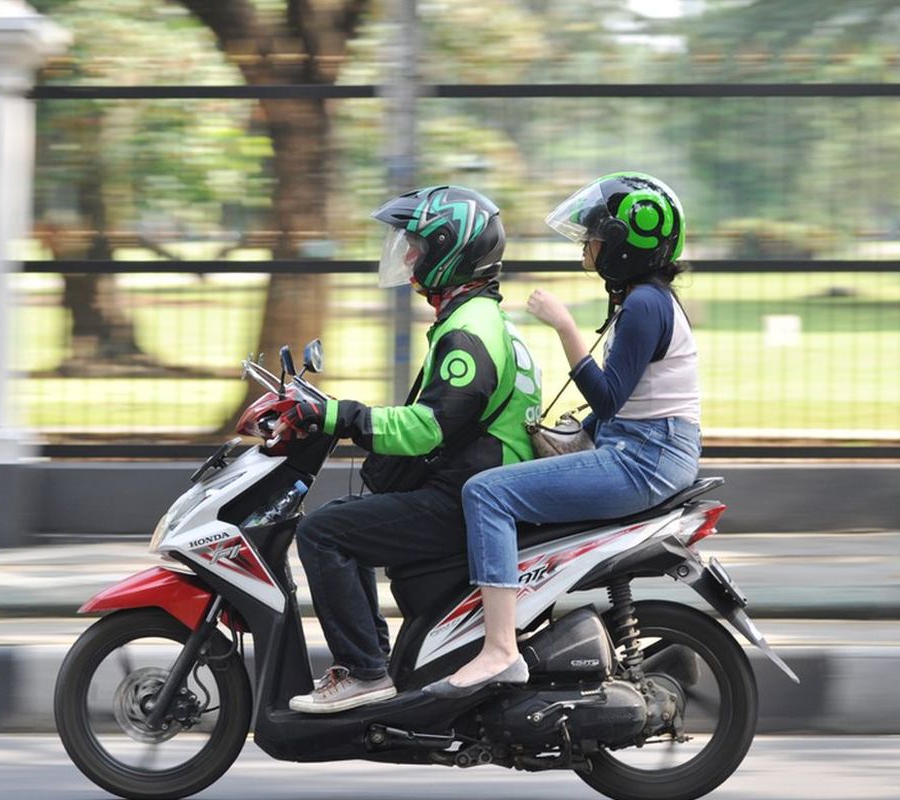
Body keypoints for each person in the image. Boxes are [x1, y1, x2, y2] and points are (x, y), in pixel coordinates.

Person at [425, 172, 702, 698]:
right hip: (644, 449)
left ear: (624, 244)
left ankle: (500, 649)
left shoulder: (645, 305)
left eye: (596, 234)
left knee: (487, 493)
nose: (587, 243)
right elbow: (629, 404)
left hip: (644, 459)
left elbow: (609, 397)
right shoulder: (645, 300)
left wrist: (564, 326)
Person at [281, 185, 542, 714]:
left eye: (419, 247)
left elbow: (429, 428)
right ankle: (373, 663)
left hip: (466, 497)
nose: (408, 258)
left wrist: (339, 416)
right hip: (471, 488)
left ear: (451, 252)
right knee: (345, 518)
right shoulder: (479, 320)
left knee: (323, 532)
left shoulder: (468, 333)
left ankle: (364, 672)